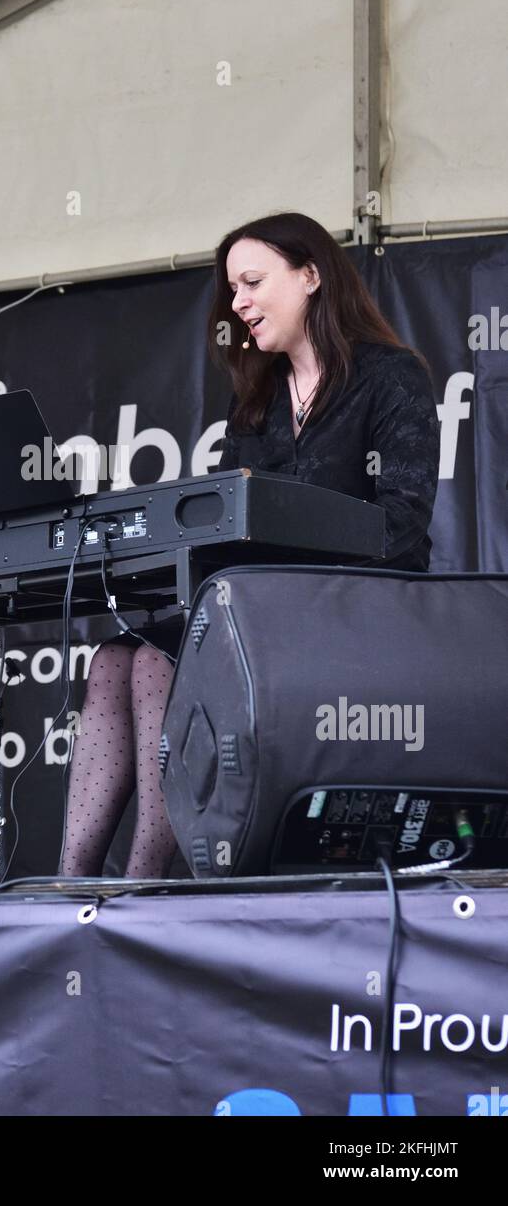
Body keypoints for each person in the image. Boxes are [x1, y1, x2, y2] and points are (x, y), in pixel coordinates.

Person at [59, 211, 440, 879]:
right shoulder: (256, 405)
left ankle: (140, 885)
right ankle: (66, 886)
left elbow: (401, 530)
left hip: (352, 612)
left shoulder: (391, 378)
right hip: (260, 610)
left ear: (312, 275)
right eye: (232, 289)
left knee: (154, 665)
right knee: (115, 659)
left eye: (253, 282)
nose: (238, 303)